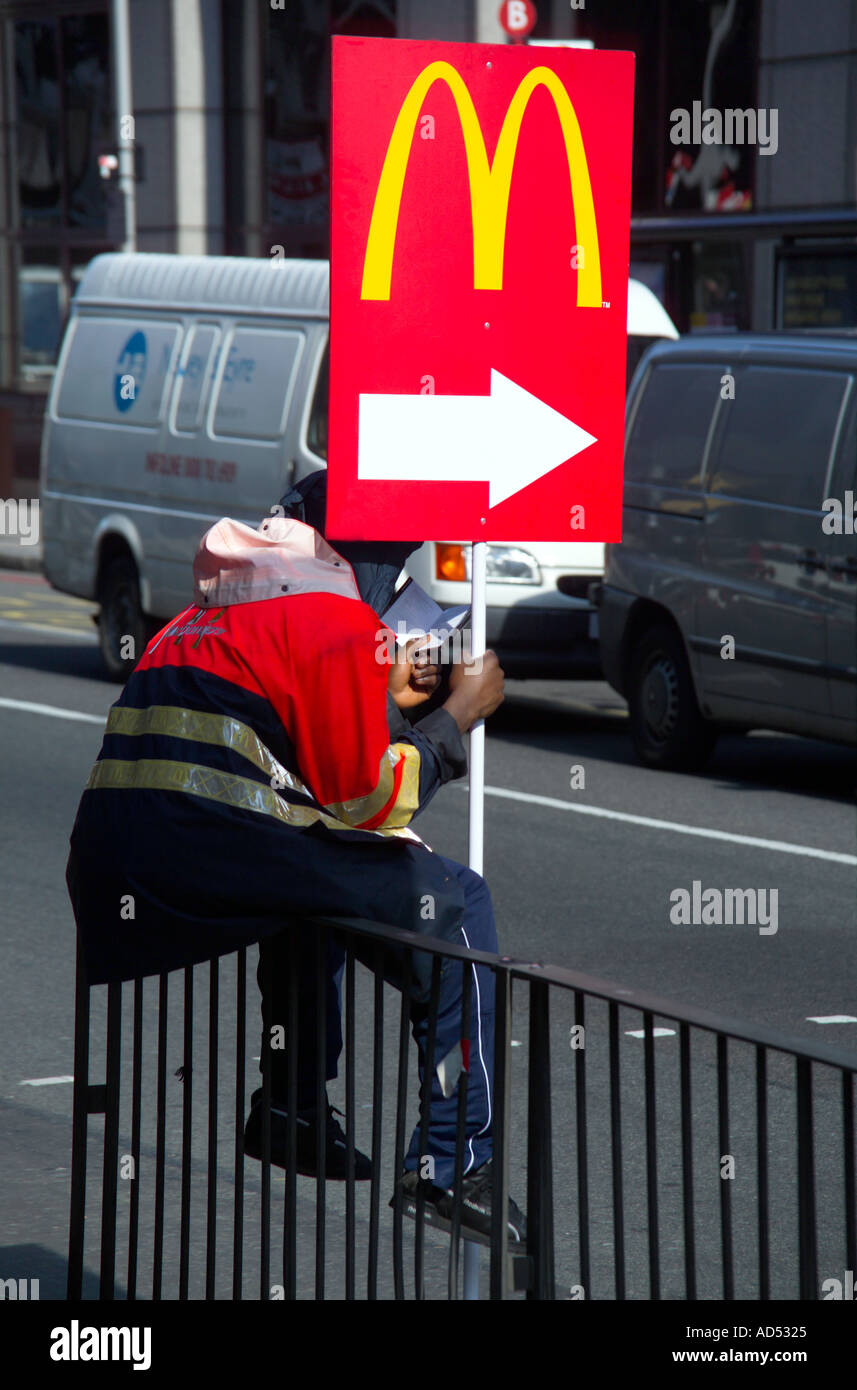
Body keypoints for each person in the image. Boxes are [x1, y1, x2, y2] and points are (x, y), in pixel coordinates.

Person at [66, 500, 525, 1243]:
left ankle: (291, 1106)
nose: (396, 590)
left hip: (118, 867)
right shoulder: (332, 623)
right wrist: (454, 720)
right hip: (213, 848)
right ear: (357, 560)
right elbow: (366, 800)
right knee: (459, 908)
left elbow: (280, 748)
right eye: (394, 567)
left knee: (311, 885)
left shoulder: (196, 620)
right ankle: (452, 1164)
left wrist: (385, 702)